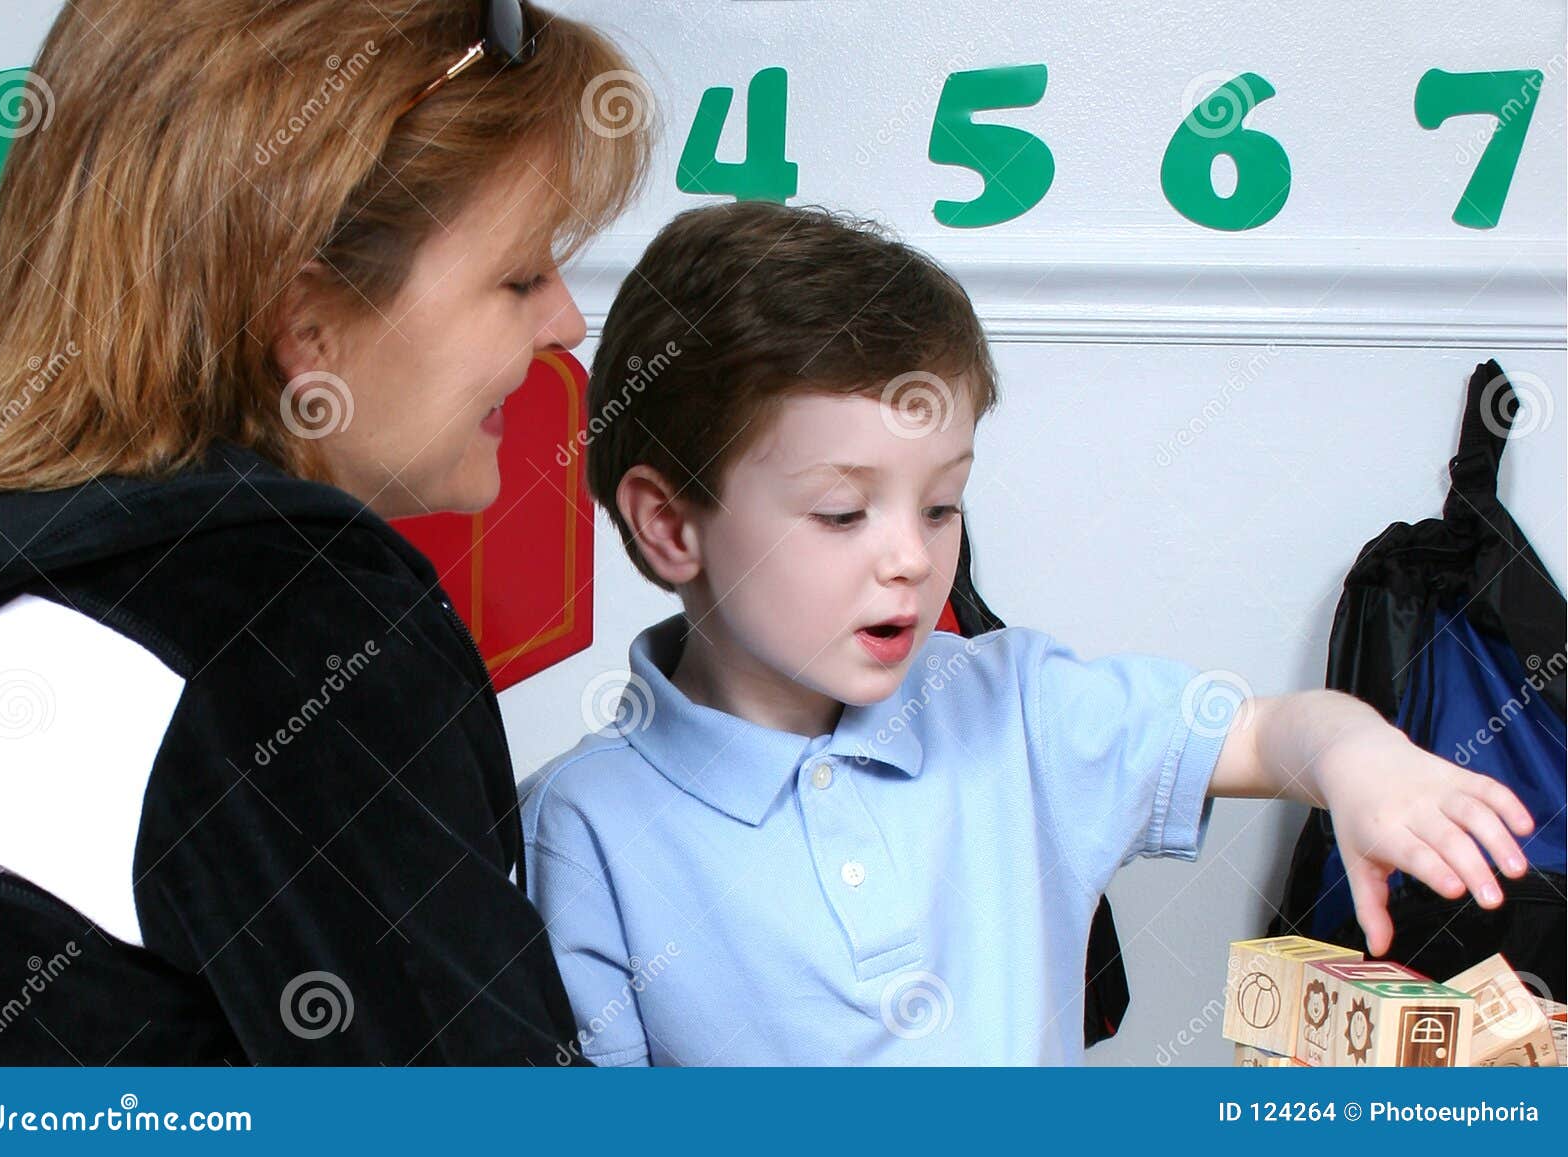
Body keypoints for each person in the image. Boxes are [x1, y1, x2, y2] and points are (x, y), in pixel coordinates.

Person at [520, 200, 1537, 1066]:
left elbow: (1272, 733)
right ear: (669, 524)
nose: (913, 558)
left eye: (941, 504)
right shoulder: (581, 826)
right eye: (842, 512)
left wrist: (1357, 756)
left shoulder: (1017, 706)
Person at [0, 0, 650, 1064]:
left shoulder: (22, 578)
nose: (564, 320)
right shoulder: (283, 625)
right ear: (306, 325)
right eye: (518, 276)